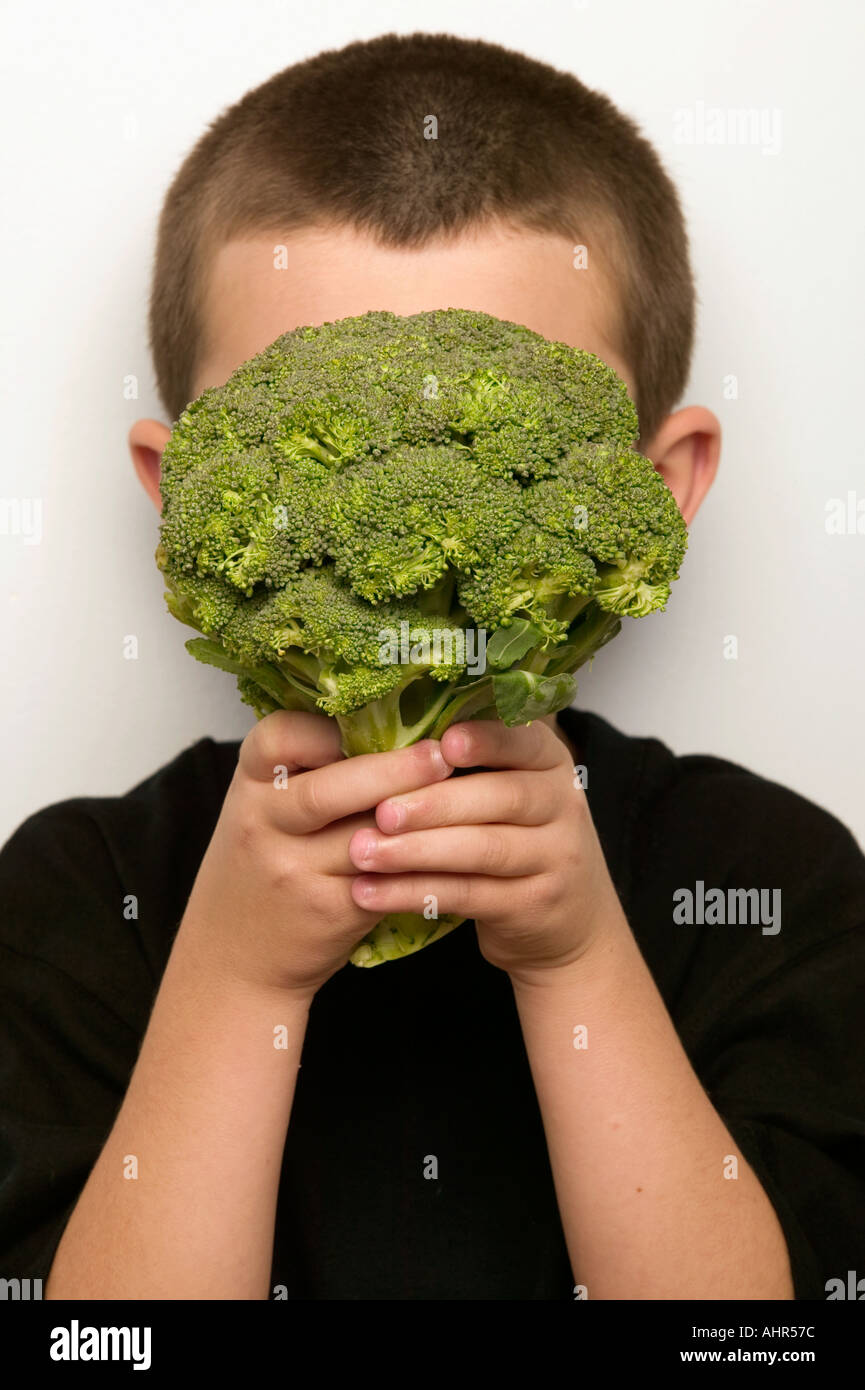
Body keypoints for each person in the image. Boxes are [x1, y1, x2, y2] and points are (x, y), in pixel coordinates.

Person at [1, 32, 862, 1301]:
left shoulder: (764, 878)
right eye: (304, 449)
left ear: (657, 487)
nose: (394, 571)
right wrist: (236, 984)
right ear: (183, 490)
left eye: (492, 435)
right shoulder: (78, 897)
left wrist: (576, 962)